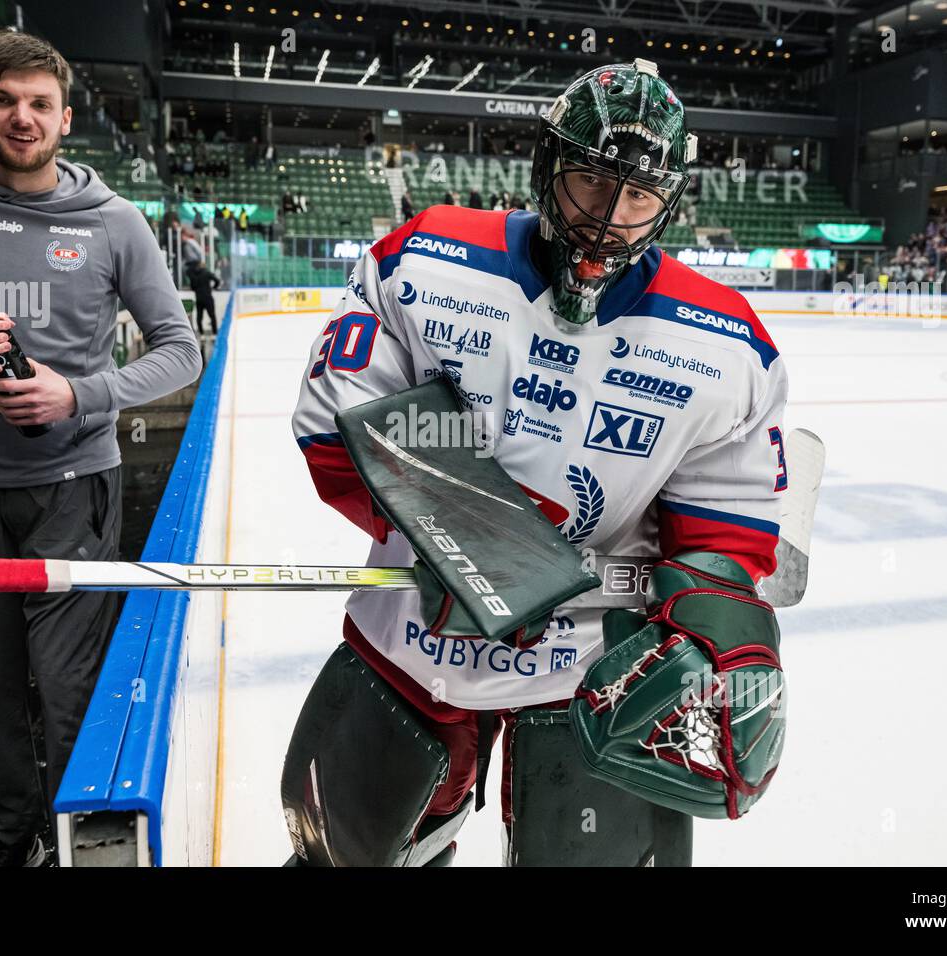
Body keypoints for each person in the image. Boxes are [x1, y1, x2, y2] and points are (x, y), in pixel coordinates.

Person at [288, 60, 789, 867]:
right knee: (344, 855)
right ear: (547, 165)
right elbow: (334, 419)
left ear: (670, 201)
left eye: (639, 196)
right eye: (591, 181)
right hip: (413, 641)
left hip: (592, 677)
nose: (608, 220)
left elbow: (727, 528)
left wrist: (721, 629)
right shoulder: (431, 256)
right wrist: (479, 545)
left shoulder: (726, 344)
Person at [0, 31, 202, 867]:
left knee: (68, 684)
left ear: (66, 117)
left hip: (72, 486)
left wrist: (79, 394)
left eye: (39, 104)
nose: (22, 117)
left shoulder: (113, 221)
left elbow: (179, 348)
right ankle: (8, 832)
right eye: (4, 100)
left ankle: (72, 836)